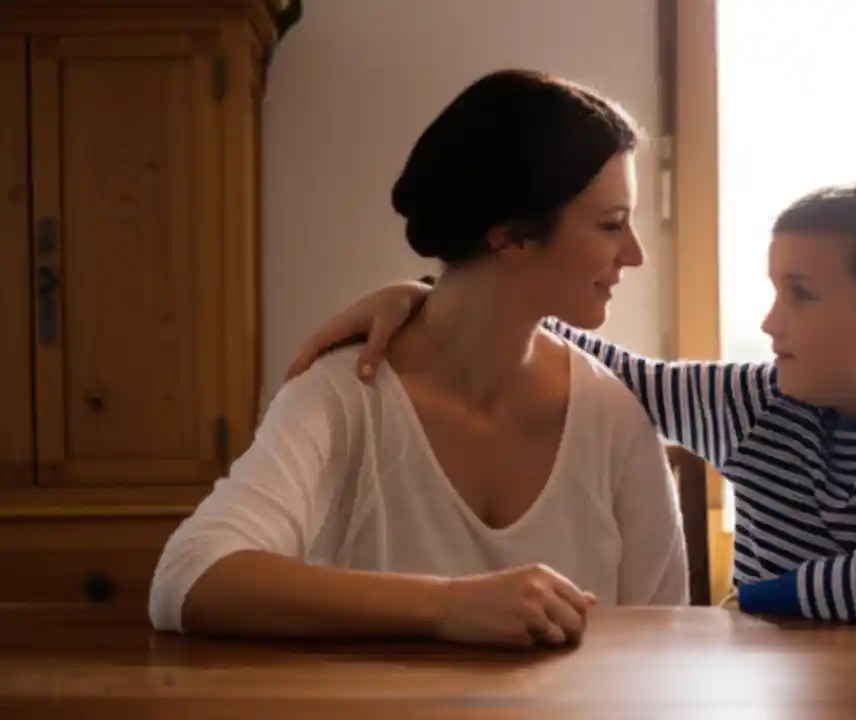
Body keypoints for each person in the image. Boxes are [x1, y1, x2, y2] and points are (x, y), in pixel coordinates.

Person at [289, 180, 856, 625]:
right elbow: (603, 364)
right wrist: (433, 297)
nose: (769, 322)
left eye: (801, 295)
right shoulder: (758, 403)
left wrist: (749, 604)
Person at [149, 69, 689, 648]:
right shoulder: (343, 392)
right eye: (611, 225)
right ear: (509, 236)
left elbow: (663, 642)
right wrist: (449, 604)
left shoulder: (614, 417)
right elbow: (190, 577)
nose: (633, 254)